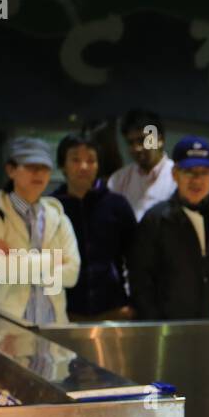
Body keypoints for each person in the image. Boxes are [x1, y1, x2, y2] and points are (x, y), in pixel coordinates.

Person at [129, 136, 209, 320]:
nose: (197, 180)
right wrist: (159, 325)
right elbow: (141, 281)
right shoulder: (155, 221)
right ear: (175, 174)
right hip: (174, 332)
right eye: (189, 172)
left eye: (205, 172)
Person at [0, 137, 81, 325]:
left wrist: (15, 261)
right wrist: (51, 260)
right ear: (11, 170)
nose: (39, 173)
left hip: (53, 323)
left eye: (45, 167)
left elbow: (72, 274)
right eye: (31, 166)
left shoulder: (59, 217)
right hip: (9, 326)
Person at [51, 132, 137, 320]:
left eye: (91, 160)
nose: (84, 166)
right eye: (75, 160)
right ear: (62, 165)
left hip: (113, 308)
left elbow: (136, 259)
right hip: (63, 310)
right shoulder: (50, 208)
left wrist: (133, 303)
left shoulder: (116, 205)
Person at [107, 109, 177, 221]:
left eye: (142, 140)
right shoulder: (118, 180)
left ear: (160, 139)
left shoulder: (177, 177)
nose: (136, 148)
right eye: (131, 143)